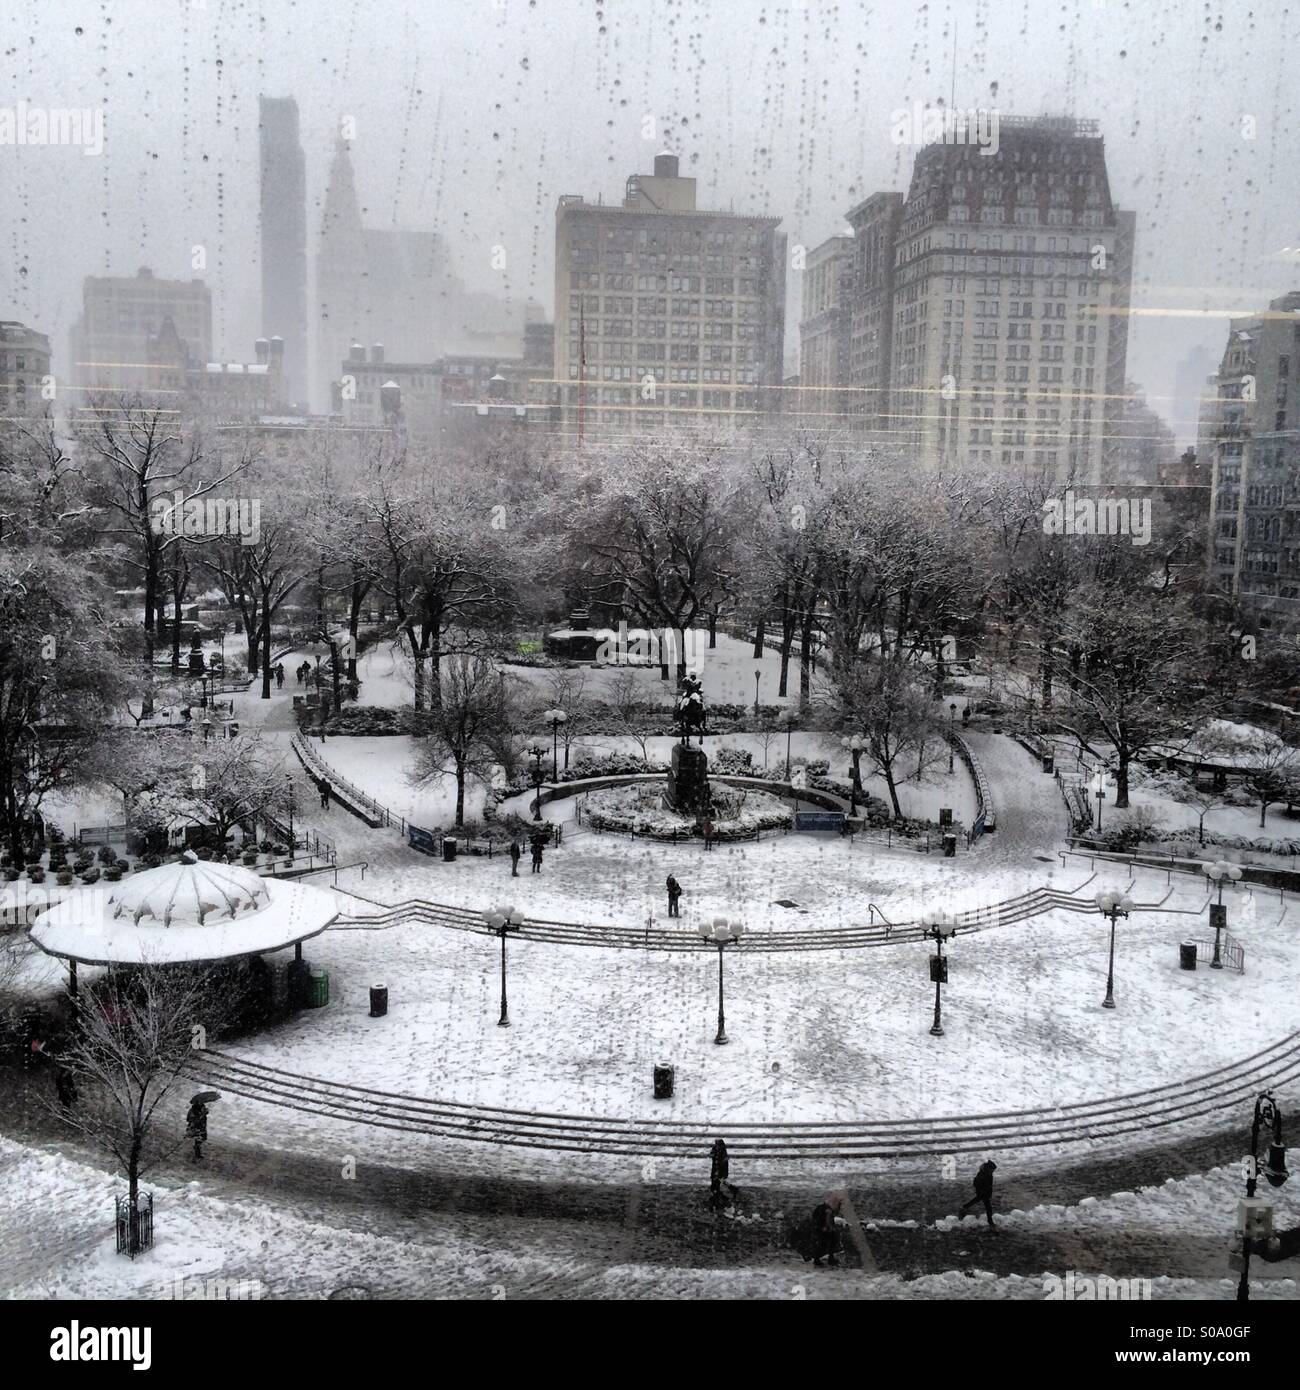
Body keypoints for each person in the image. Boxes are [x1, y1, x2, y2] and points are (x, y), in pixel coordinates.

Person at [808, 1193, 845, 1267]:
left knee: (824, 1243)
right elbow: (828, 1220)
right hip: (824, 1229)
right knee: (829, 1243)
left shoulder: (822, 1208)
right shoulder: (828, 1210)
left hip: (819, 1228)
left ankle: (819, 1259)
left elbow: (816, 1218)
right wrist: (830, 1227)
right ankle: (825, 1259)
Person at [960, 1160, 998, 1228]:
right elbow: (978, 1184)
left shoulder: (988, 1173)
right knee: (988, 1207)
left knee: (977, 1199)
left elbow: (989, 1184)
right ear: (989, 1168)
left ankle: (964, 1207)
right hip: (983, 1192)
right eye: (992, 1170)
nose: (993, 1171)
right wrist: (983, 1191)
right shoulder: (982, 1174)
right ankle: (990, 1222)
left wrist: (989, 1192)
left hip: (985, 1192)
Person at [185, 1099, 209, 1163]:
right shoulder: (193, 1109)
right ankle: (196, 1155)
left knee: (201, 1139)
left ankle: (197, 1154)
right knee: (197, 1140)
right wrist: (200, 1115)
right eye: (200, 1101)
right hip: (196, 1127)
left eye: (202, 1101)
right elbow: (189, 1119)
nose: (201, 1102)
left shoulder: (202, 1107)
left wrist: (205, 1112)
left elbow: (203, 1116)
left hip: (202, 1127)